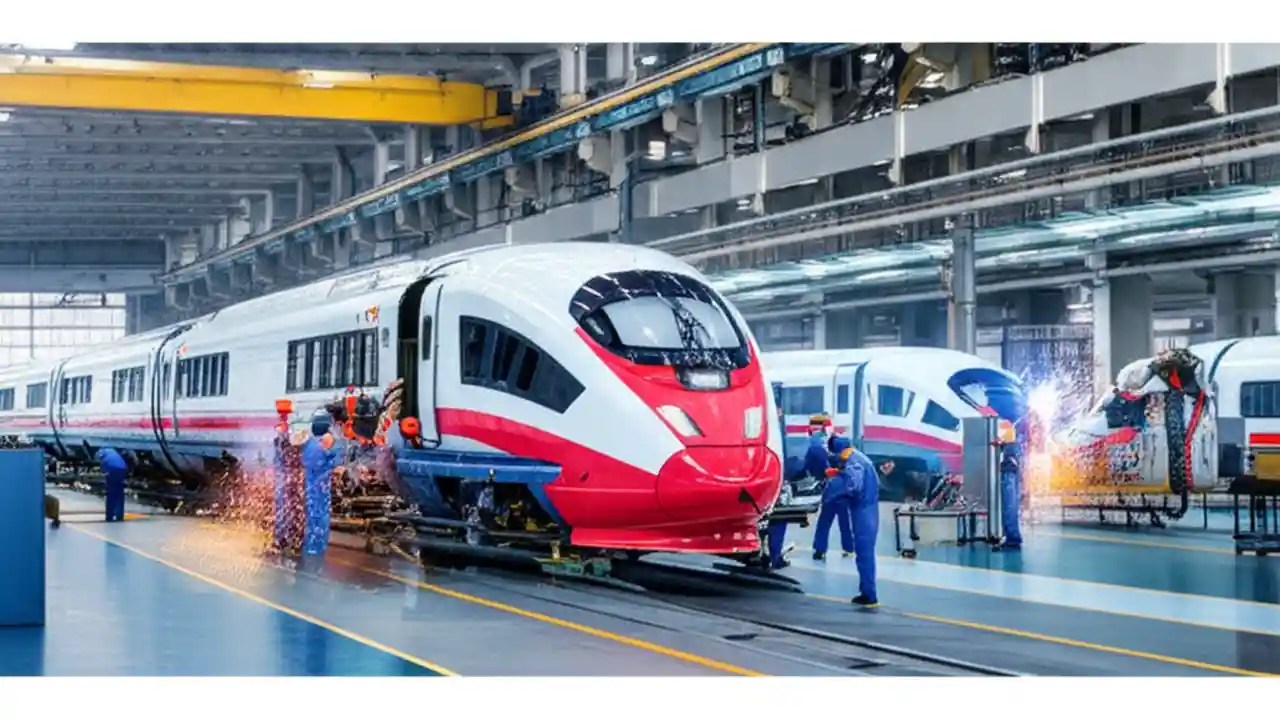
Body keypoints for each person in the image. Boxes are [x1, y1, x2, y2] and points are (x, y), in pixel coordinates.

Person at [832, 445, 880, 607]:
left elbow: (854, 484)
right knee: (866, 553)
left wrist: (842, 491)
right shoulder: (861, 457)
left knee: (864, 554)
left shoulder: (853, 462)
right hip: (869, 510)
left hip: (862, 512)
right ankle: (867, 591)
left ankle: (869, 595)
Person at [813, 433, 854, 560]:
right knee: (845, 524)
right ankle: (849, 549)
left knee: (824, 523)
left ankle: (820, 550)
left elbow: (826, 471)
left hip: (830, 495)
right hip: (843, 496)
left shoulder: (831, 458)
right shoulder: (850, 457)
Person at [999, 442, 1023, 550]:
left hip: (1010, 452)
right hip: (1013, 452)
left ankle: (1012, 537)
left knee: (1009, 501)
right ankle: (1011, 535)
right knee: (1011, 501)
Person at [95, 447, 128, 522]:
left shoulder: (101, 452)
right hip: (123, 467)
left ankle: (110, 515)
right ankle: (120, 515)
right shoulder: (114, 452)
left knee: (111, 494)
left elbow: (100, 463)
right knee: (120, 494)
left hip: (112, 469)